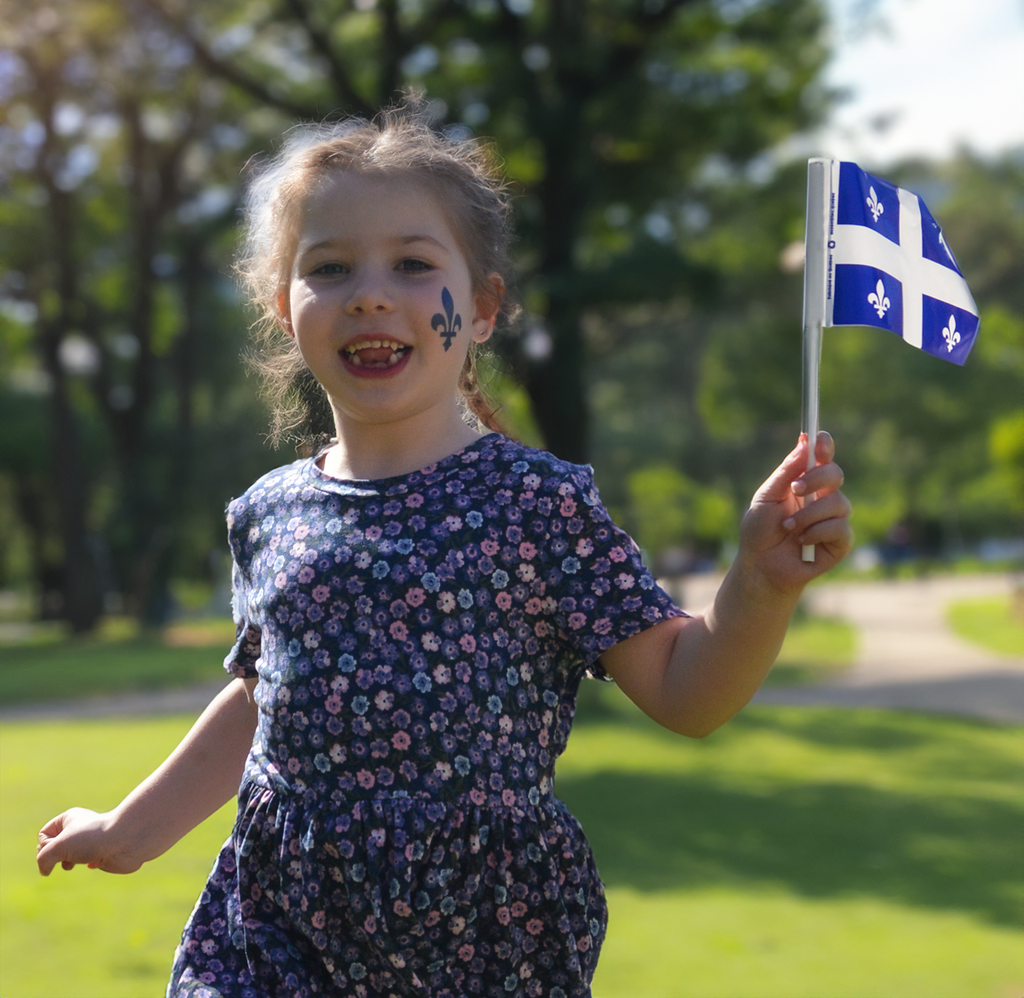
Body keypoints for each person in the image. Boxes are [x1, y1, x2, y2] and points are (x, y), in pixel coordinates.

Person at [36, 100, 852, 998]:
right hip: (279, 927)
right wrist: (128, 830)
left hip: (481, 938)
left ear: (484, 307)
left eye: (415, 265)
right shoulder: (268, 512)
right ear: (286, 308)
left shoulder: (537, 504)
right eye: (331, 267)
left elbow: (687, 690)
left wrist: (760, 588)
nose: (371, 293)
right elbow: (261, 699)